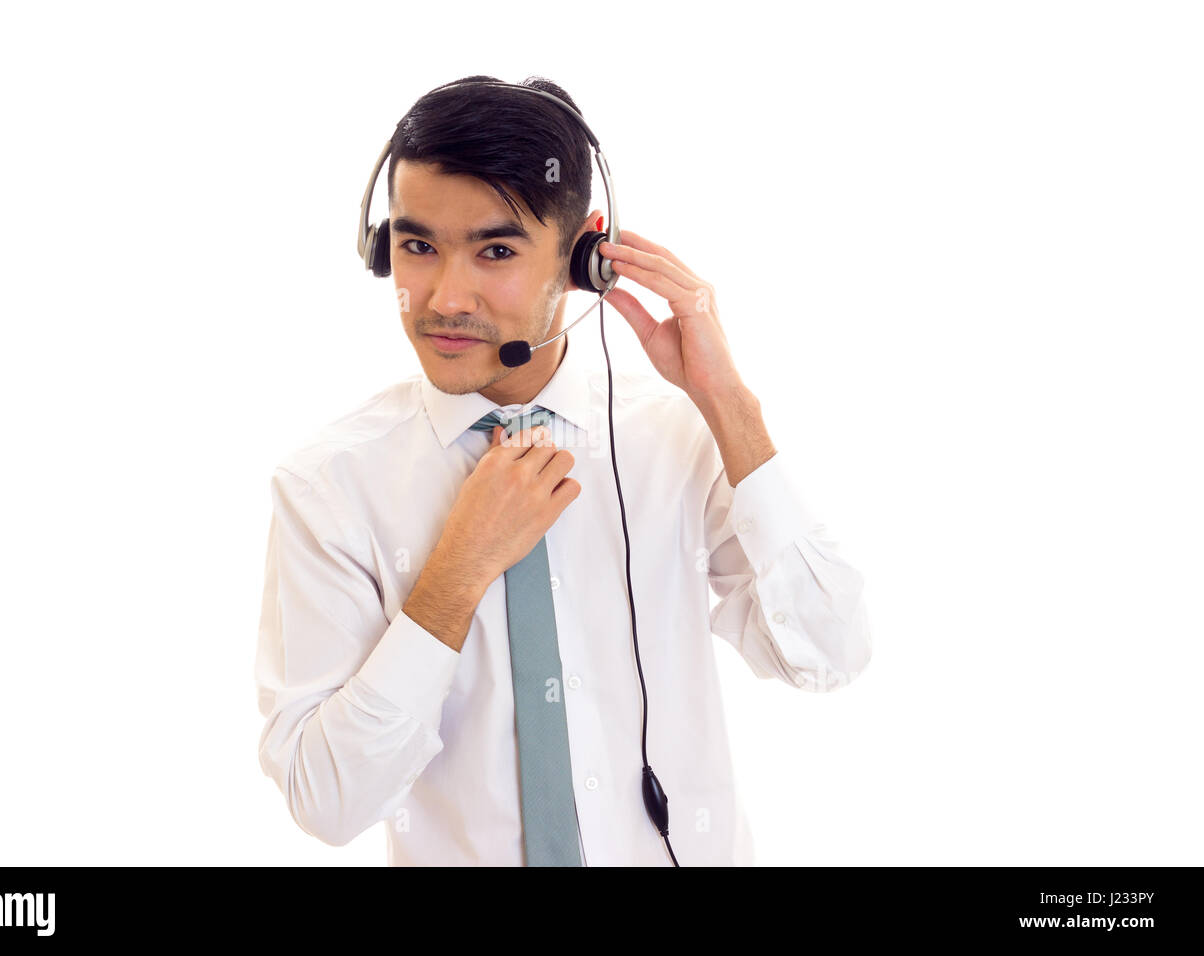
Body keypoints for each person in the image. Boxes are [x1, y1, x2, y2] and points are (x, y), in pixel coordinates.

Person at [253, 75, 872, 866]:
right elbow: (328, 802)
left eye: (497, 251)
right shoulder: (328, 485)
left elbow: (828, 655)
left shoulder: (679, 436)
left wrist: (731, 410)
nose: (444, 297)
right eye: (417, 247)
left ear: (586, 253)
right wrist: (458, 570)